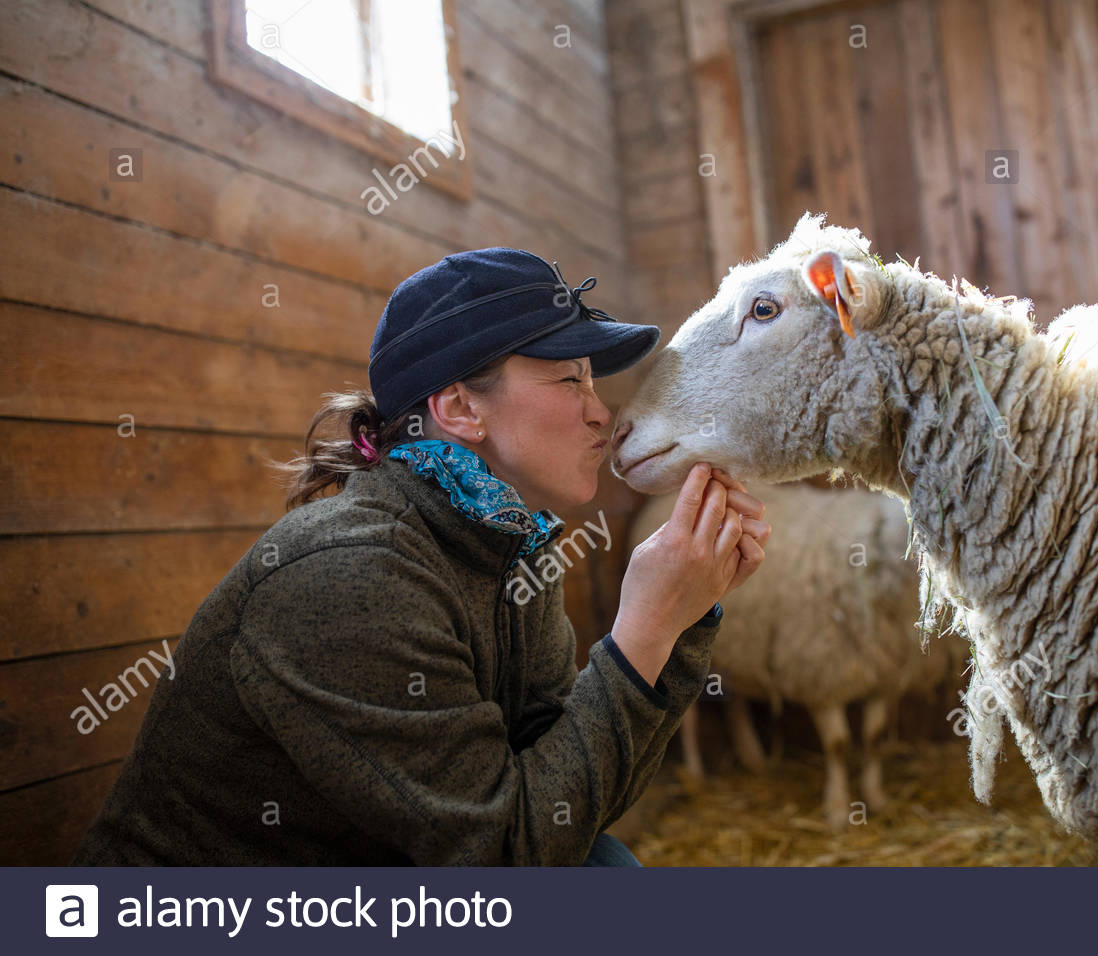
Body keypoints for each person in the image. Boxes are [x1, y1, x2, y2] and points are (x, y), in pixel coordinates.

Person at [71, 247, 770, 866]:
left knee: (600, 866)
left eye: (592, 382)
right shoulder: (349, 575)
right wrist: (645, 632)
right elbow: (505, 857)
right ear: (461, 409)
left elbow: (562, 801)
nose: (601, 413)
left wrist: (676, 621)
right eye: (568, 381)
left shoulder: (505, 546)